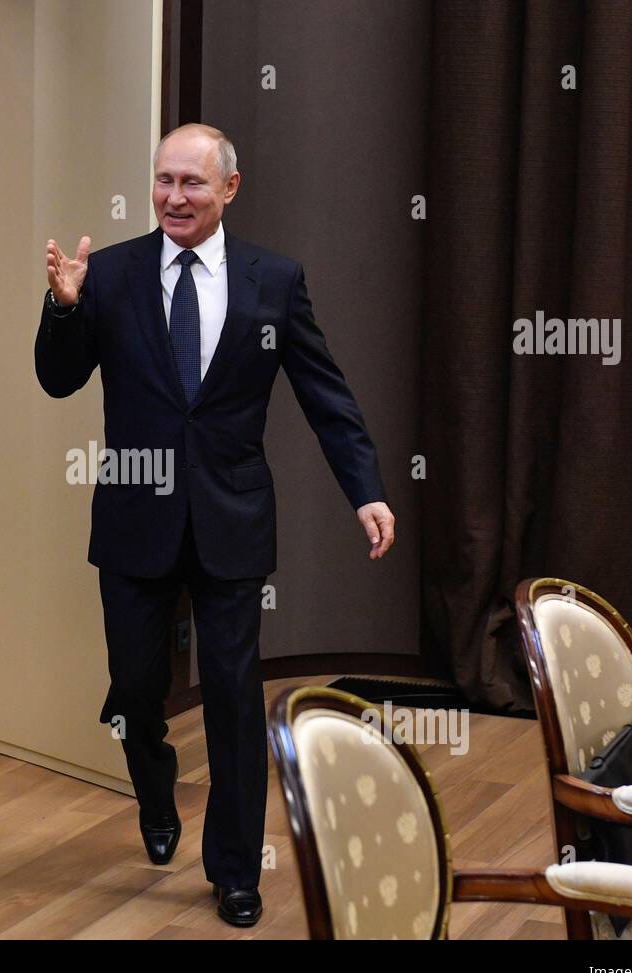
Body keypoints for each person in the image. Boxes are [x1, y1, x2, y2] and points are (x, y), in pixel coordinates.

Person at [35, 123, 394, 927]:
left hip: (231, 521)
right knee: (134, 688)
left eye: (192, 183)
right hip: (134, 520)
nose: (173, 197)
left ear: (230, 188)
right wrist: (63, 310)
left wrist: (363, 488)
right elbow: (59, 381)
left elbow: (323, 392)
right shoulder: (113, 272)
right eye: (164, 180)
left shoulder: (275, 280)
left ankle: (235, 870)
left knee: (234, 697)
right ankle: (154, 790)